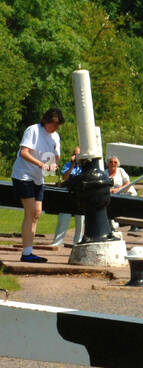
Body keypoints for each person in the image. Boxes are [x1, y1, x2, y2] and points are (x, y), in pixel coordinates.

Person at [13, 108, 63, 263]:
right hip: (24, 175)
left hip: (38, 178)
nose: (55, 128)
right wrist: (42, 164)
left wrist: (54, 164)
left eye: (57, 125)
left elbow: (55, 157)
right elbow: (24, 152)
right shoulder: (33, 130)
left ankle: (29, 251)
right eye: (54, 124)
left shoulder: (55, 136)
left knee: (37, 213)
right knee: (31, 211)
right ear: (46, 121)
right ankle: (27, 253)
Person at [52, 146, 83, 247]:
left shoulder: (85, 166)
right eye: (74, 154)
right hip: (68, 193)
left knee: (81, 220)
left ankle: (77, 243)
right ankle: (57, 242)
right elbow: (65, 177)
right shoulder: (68, 165)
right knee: (63, 218)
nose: (75, 156)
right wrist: (73, 165)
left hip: (80, 194)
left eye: (78, 154)